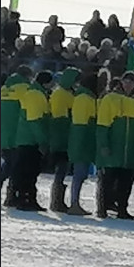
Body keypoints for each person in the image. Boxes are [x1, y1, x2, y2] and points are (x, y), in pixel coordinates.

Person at [95, 73, 134, 220]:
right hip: (114, 149)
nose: (128, 84)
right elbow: (103, 124)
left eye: (131, 82)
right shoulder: (110, 99)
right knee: (107, 180)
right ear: (121, 82)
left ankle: (122, 209)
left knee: (126, 182)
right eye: (126, 81)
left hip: (129, 151)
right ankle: (102, 208)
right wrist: (104, 144)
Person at [11, 70, 53, 211]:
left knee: (24, 171)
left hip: (26, 138)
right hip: (31, 140)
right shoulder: (36, 95)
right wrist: (42, 141)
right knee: (29, 172)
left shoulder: (33, 92)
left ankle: (19, 198)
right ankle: (26, 199)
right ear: (46, 83)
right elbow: (35, 121)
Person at [66, 72, 99, 216]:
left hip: (84, 142)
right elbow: (81, 124)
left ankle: (75, 203)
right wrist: (80, 144)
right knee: (79, 174)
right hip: (81, 142)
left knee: (81, 174)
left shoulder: (88, 98)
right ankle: (74, 203)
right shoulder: (83, 99)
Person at [47, 67, 80, 212]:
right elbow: (61, 118)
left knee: (62, 169)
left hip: (61, 135)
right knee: (62, 168)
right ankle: (57, 201)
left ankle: (57, 200)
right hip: (62, 136)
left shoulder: (60, 92)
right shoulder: (62, 94)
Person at [1, 66, 34, 207]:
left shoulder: (3, 89)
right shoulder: (26, 89)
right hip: (18, 134)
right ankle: (11, 196)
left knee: (8, 164)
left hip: (3, 134)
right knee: (15, 167)